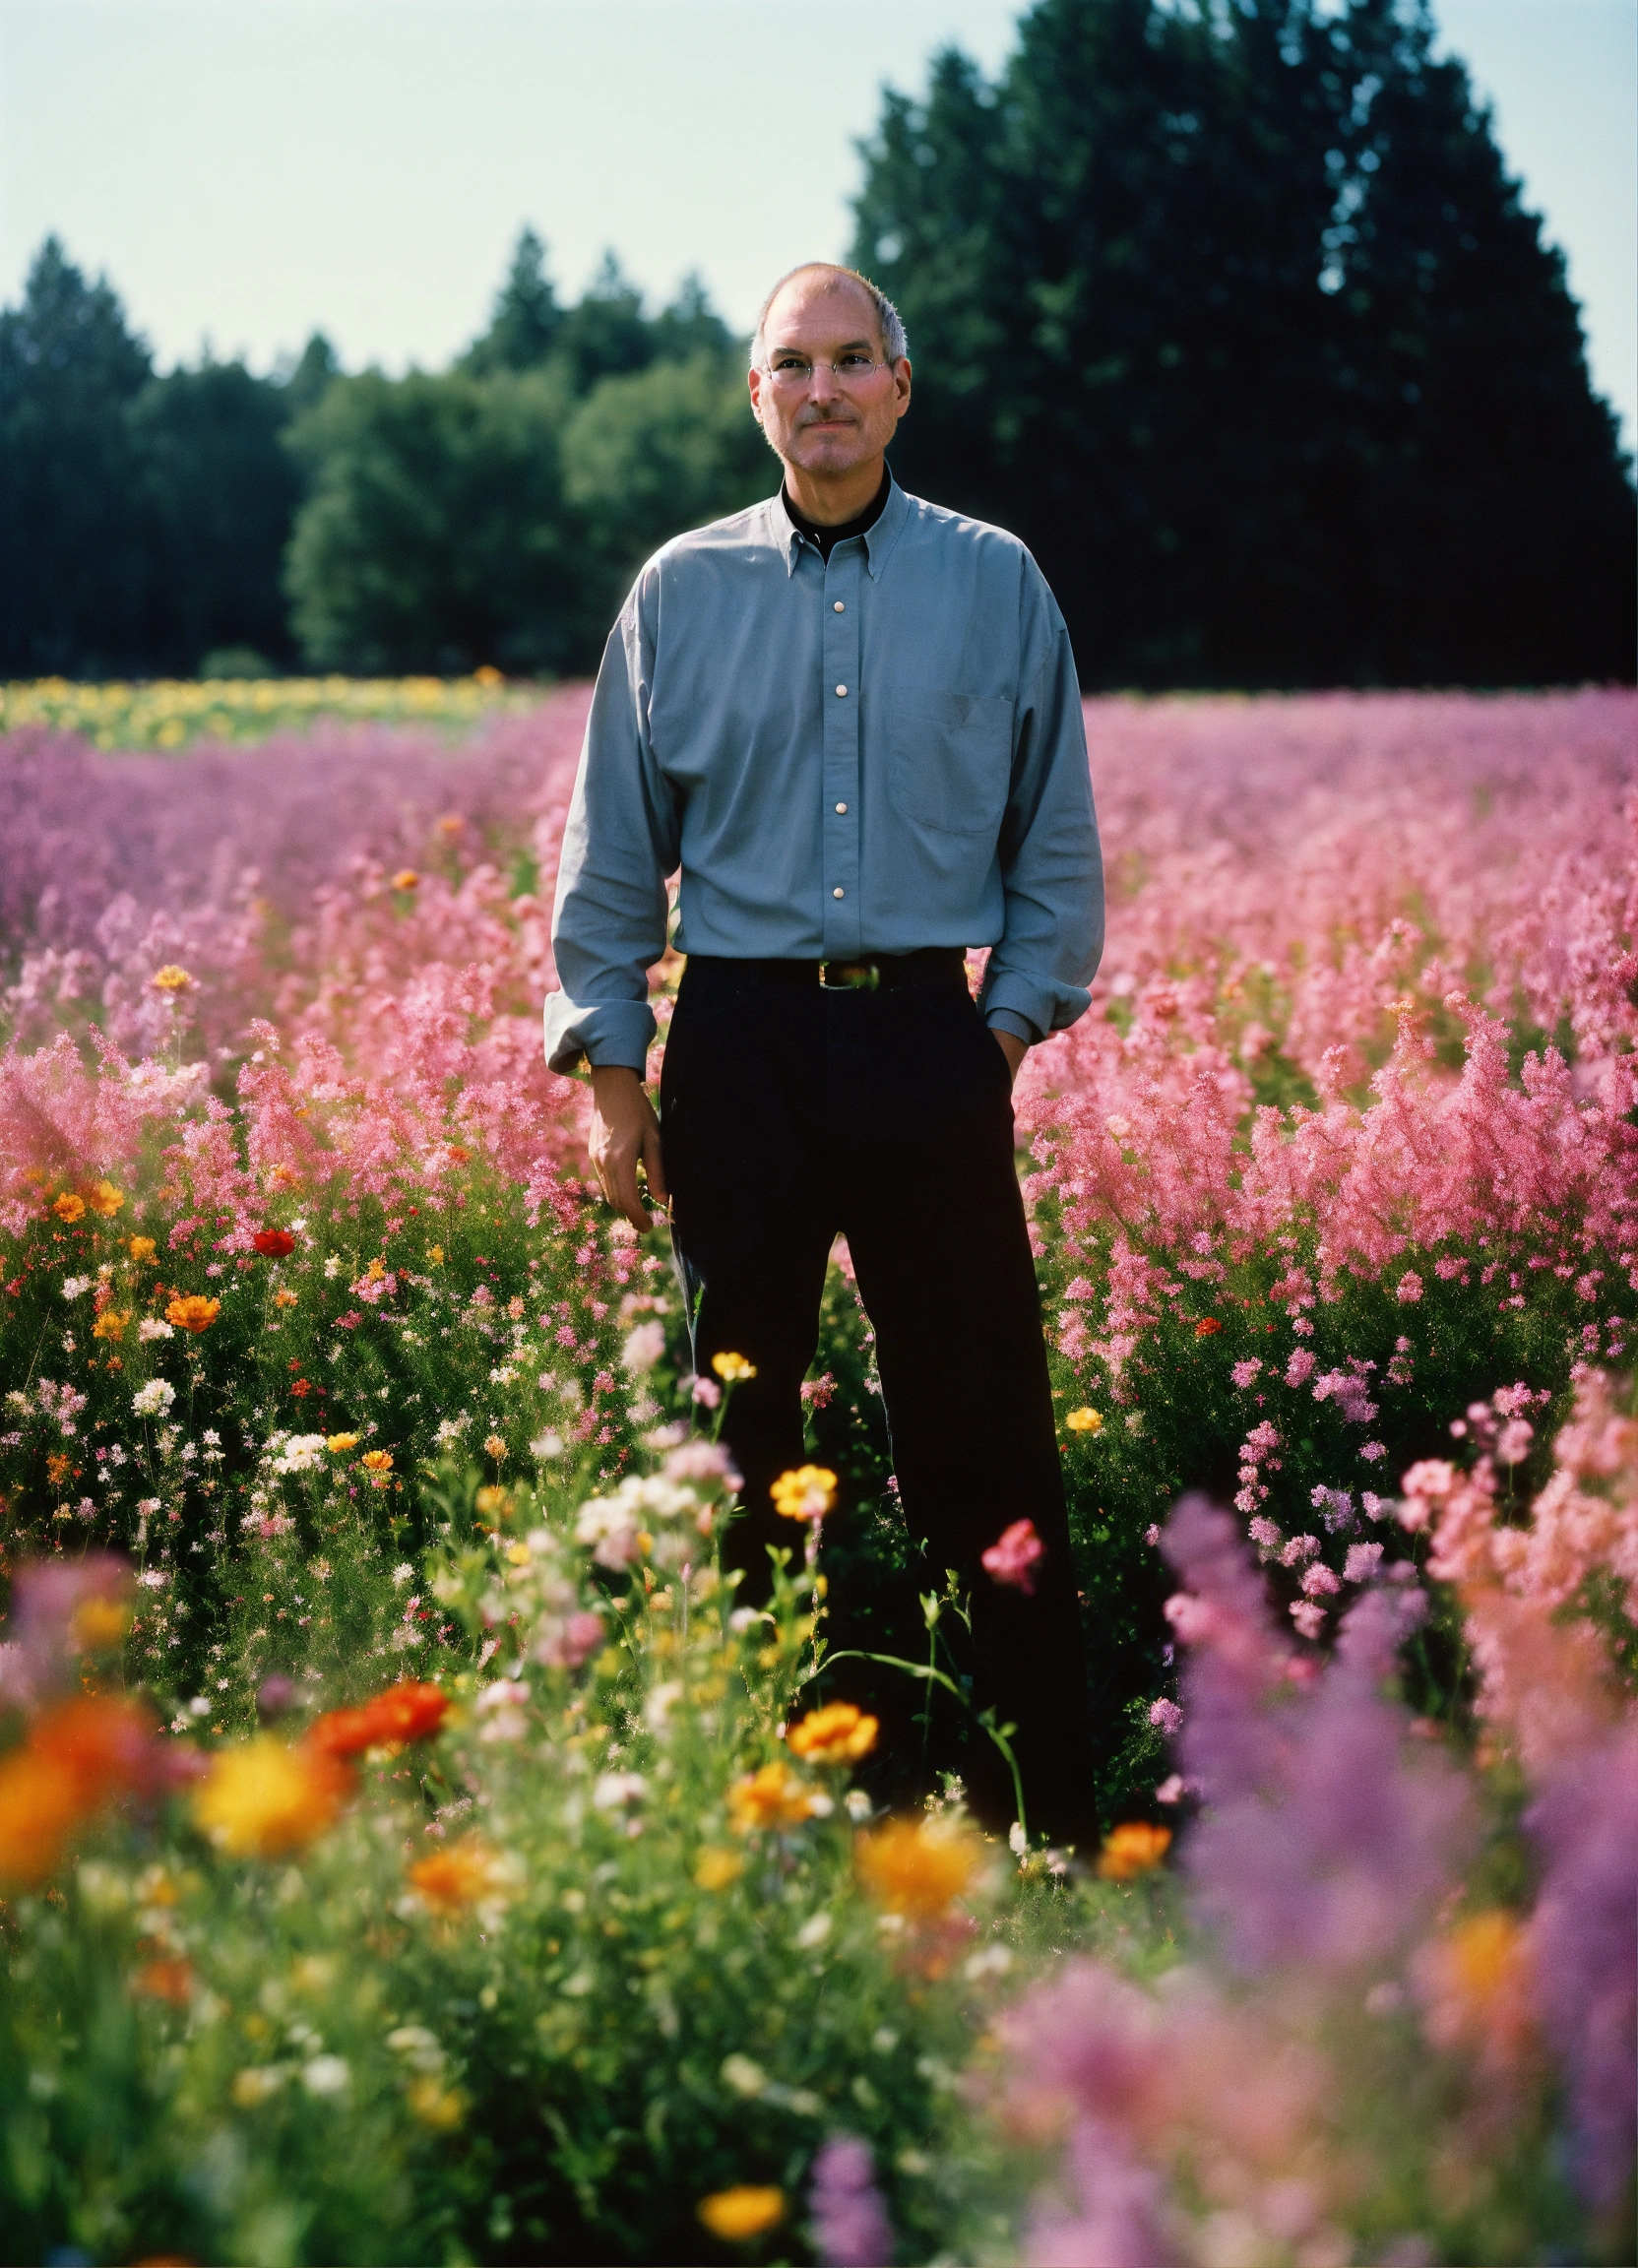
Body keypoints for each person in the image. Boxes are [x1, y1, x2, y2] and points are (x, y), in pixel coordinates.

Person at [542, 262, 1104, 1844]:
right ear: (756, 397)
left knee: (983, 1429)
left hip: (933, 1036)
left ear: (903, 387)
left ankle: (1033, 1820)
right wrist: (610, 1077)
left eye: (855, 360)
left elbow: (1054, 840)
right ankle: (777, 1814)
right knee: (738, 1432)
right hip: (736, 1052)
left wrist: (992, 1034)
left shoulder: (998, 583)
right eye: (794, 364)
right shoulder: (677, 592)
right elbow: (607, 858)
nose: (826, 389)